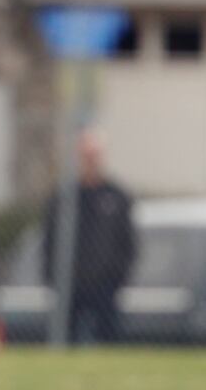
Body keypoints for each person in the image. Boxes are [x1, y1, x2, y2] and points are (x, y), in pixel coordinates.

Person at [41, 130, 136, 344]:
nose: (91, 161)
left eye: (95, 156)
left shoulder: (116, 196)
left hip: (106, 285)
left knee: (107, 338)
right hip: (70, 284)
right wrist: (51, 276)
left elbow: (127, 241)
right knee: (67, 338)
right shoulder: (64, 197)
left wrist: (119, 275)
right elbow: (49, 240)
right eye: (86, 156)